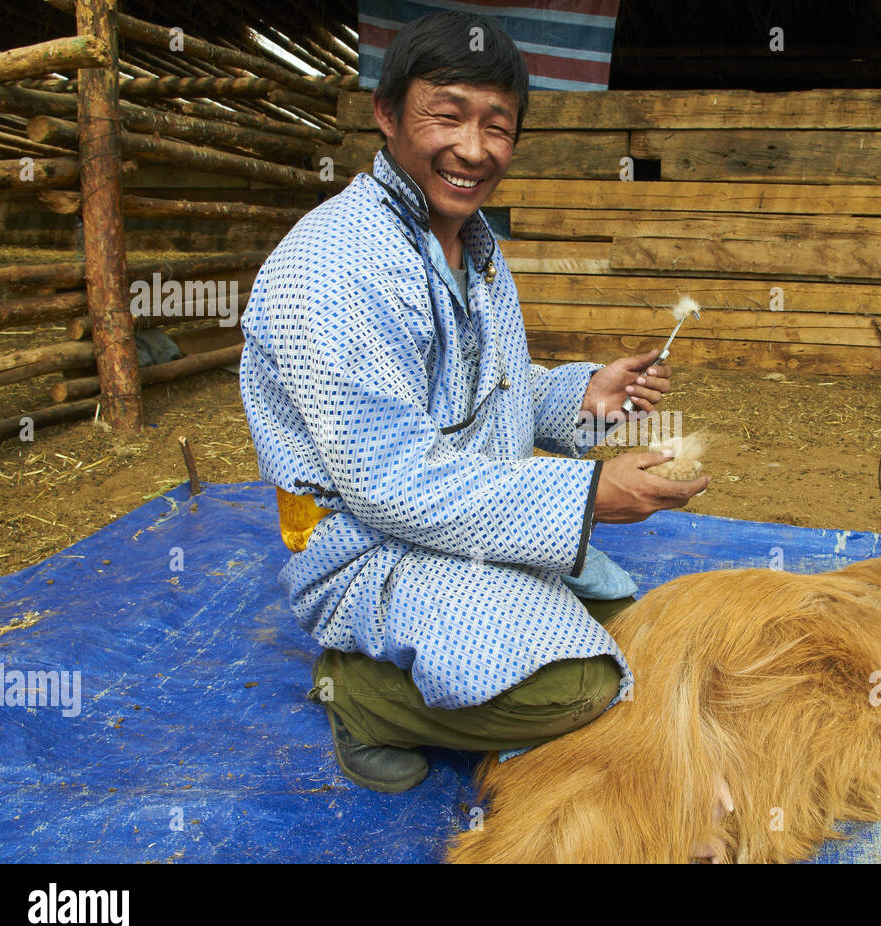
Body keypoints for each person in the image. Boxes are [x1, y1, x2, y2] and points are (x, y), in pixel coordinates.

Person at [238, 10, 708, 792]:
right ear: (388, 115)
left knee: (622, 614)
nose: (473, 148)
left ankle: (449, 656)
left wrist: (587, 395)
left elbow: (498, 393)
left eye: (497, 126)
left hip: (451, 529)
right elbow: (393, 483)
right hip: (366, 549)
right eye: (447, 115)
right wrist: (590, 495)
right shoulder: (337, 267)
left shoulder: (475, 247)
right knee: (581, 686)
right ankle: (358, 691)